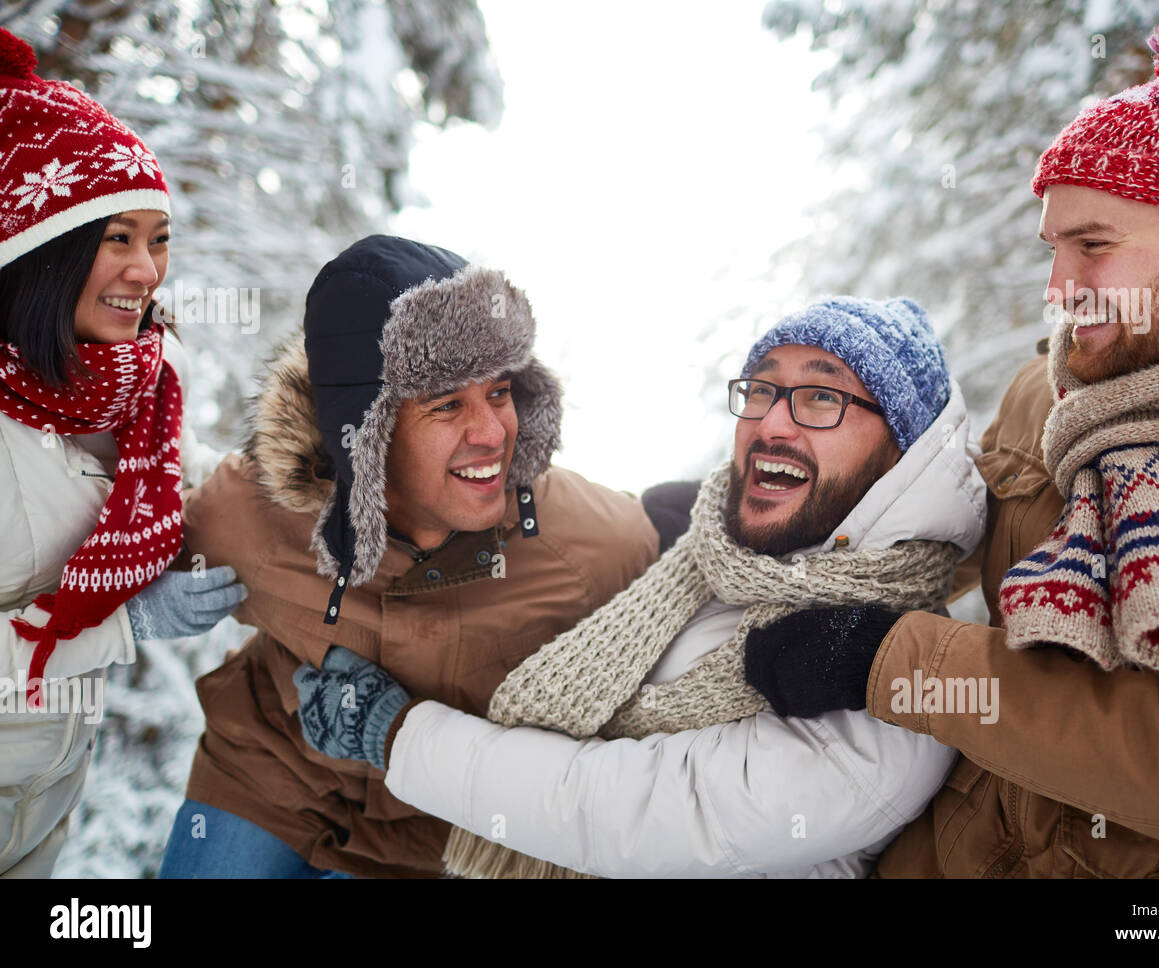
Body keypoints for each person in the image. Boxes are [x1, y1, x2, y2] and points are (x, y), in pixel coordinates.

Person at [741, 0, 1159, 876]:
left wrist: (895, 662)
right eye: (1052, 248)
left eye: (1094, 246)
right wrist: (794, 507)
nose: (1060, 287)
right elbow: (943, 537)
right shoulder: (1051, 390)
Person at [296, 296, 987, 877]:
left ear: (904, 448)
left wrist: (393, 734)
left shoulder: (896, 693)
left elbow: (619, 808)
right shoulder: (715, 556)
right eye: (764, 389)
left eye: (821, 396)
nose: (773, 422)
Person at [158, 234, 659, 878]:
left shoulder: (589, 546)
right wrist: (142, 601)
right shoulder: (255, 509)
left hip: (434, 838)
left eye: (500, 392)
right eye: (448, 404)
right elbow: (108, 540)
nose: (491, 433)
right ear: (366, 431)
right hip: (266, 776)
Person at [0, 27, 237, 878]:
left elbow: (194, 489)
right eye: (116, 238)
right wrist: (121, 622)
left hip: (41, 803)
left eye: (158, 237)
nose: (147, 270)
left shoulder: (139, 381)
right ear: (38, 252)